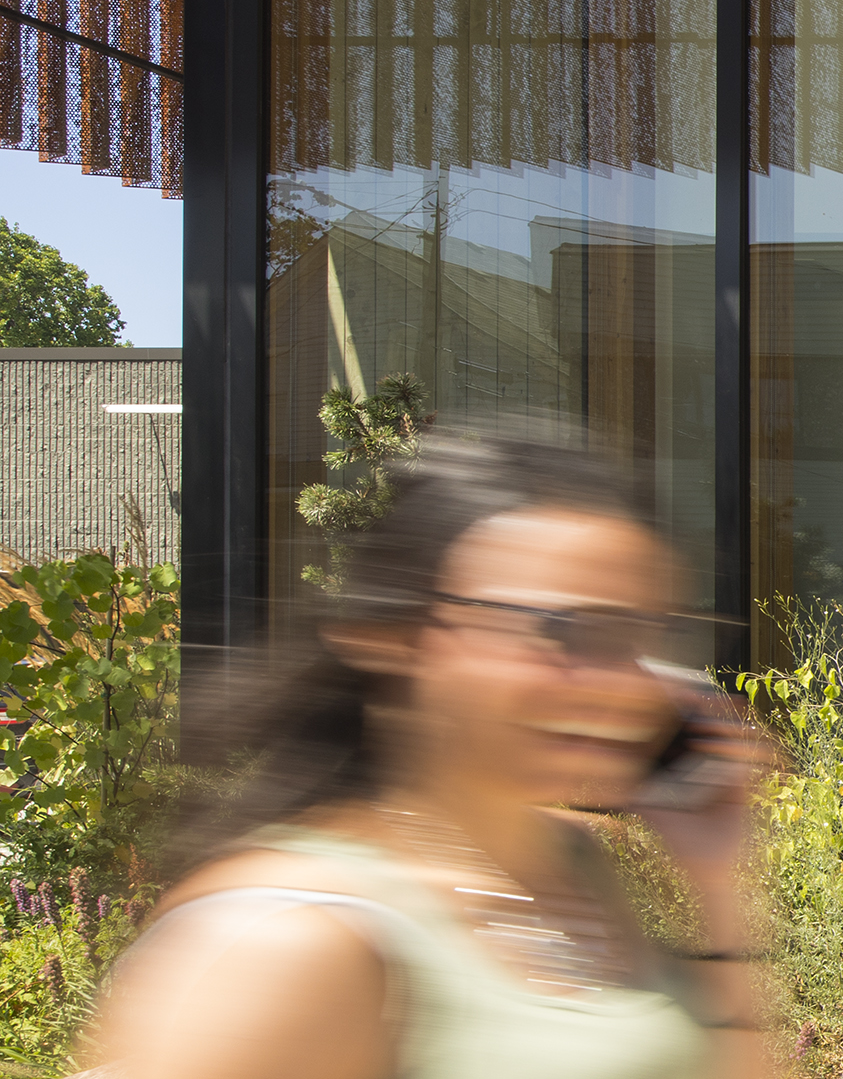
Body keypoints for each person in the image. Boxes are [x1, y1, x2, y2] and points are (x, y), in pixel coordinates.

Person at [82, 435, 778, 1079]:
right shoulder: (287, 944)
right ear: (397, 637)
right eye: (566, 630)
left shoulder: (569, 862)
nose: (624, 679)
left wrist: (718, 886)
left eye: (638, 634)